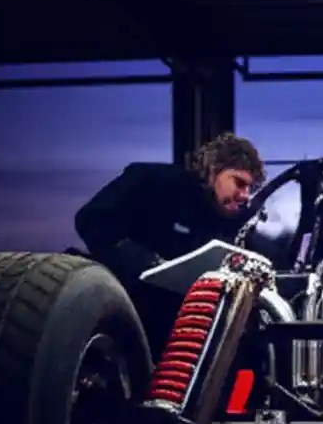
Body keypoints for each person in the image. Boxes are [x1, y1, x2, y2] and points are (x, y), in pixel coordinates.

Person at [74, 131, 265, 356]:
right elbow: (91, 219)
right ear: (215, 170)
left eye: (250, 189)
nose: (244, 195)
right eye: (239, 183)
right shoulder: (153, 181)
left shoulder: (236, 228)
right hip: (121, 318)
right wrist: (141, 261)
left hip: (184, 338)